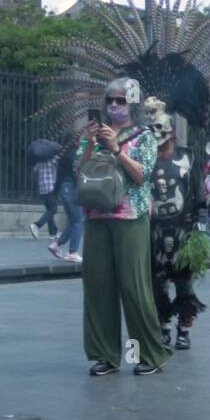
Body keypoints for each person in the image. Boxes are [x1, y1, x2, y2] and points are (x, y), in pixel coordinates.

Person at [78, 78, 173, 377]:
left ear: (132, 104)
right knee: (98, 286)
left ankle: (150, 354)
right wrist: (92, 143)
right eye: (110, 101)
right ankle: (105, 354)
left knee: (133, 286)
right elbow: (78, 171)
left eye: (121, 101)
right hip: (96, 216)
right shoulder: (93, 134)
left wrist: (117, 149)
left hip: (130, 217)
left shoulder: (144, 136)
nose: (114, 106)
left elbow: (141, 176)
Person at [146, 98, 209, 351]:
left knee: (184, 284)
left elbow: (199, 198)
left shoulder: (187, 157)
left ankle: (184, 330)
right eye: (151, 129)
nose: (156, 134)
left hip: (185, 230)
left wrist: (202, 232)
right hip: (154, 233)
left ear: (171, 130)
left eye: (160, 129)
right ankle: (164, 327)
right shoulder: (146, 158)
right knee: (157, 285)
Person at [50, 135, 84, 263]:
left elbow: (58, 177)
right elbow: (77, 173)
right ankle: (73, 252)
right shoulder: (73, 154)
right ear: (74, 141)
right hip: (72, 189)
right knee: (78, 221)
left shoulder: (63, 155)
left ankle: (56, 245)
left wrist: (55, 193)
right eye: (78, 139)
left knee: (74, 221)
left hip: (65, 190)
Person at [28, 139, 60, 243]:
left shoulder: (38, 163)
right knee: (53, 210)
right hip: (50, 188)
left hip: (42, 190)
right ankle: (37, 225)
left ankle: (53, 233)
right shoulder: (53, 161)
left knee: (49, 211)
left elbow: (34, 172)